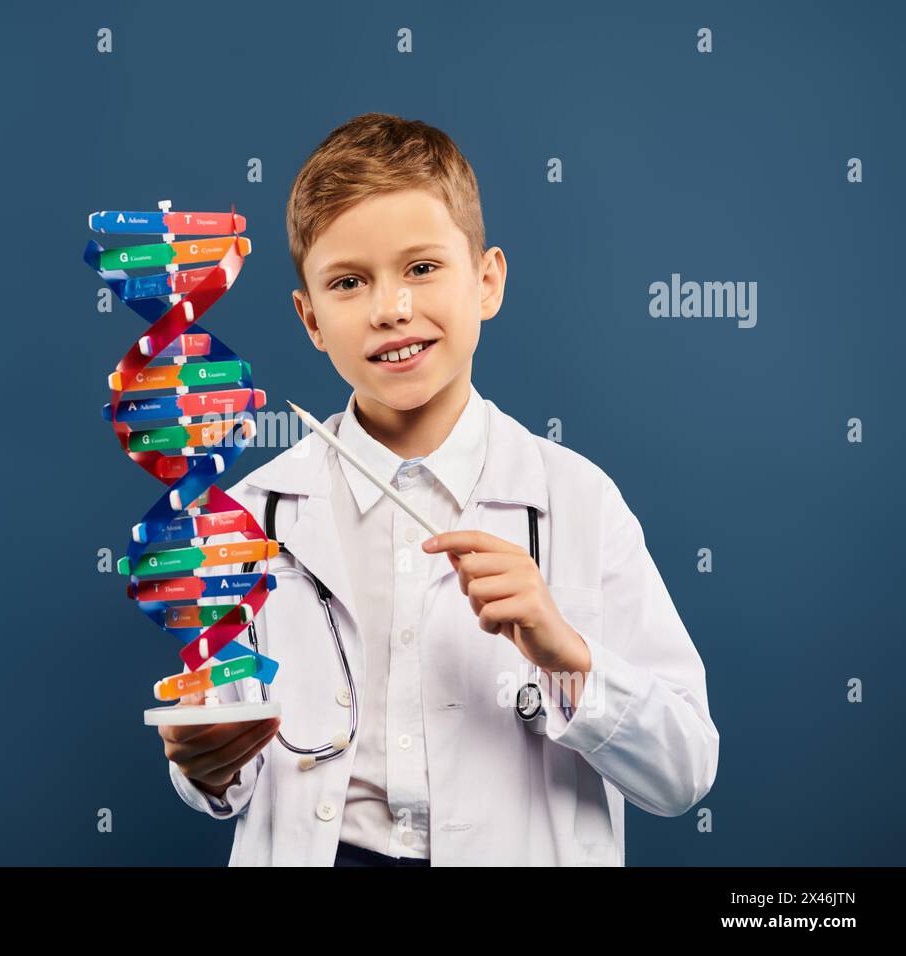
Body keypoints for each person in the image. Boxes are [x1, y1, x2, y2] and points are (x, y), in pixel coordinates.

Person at [158, 112, 719, 866]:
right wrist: (204, 764)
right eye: (349, 282)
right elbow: (225, 761)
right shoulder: (249, 517)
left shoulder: (580, 503)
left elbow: (684, 774)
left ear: (487, 282)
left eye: (421, 268)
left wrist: (569, 657)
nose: (390, 308)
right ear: (311, 320)